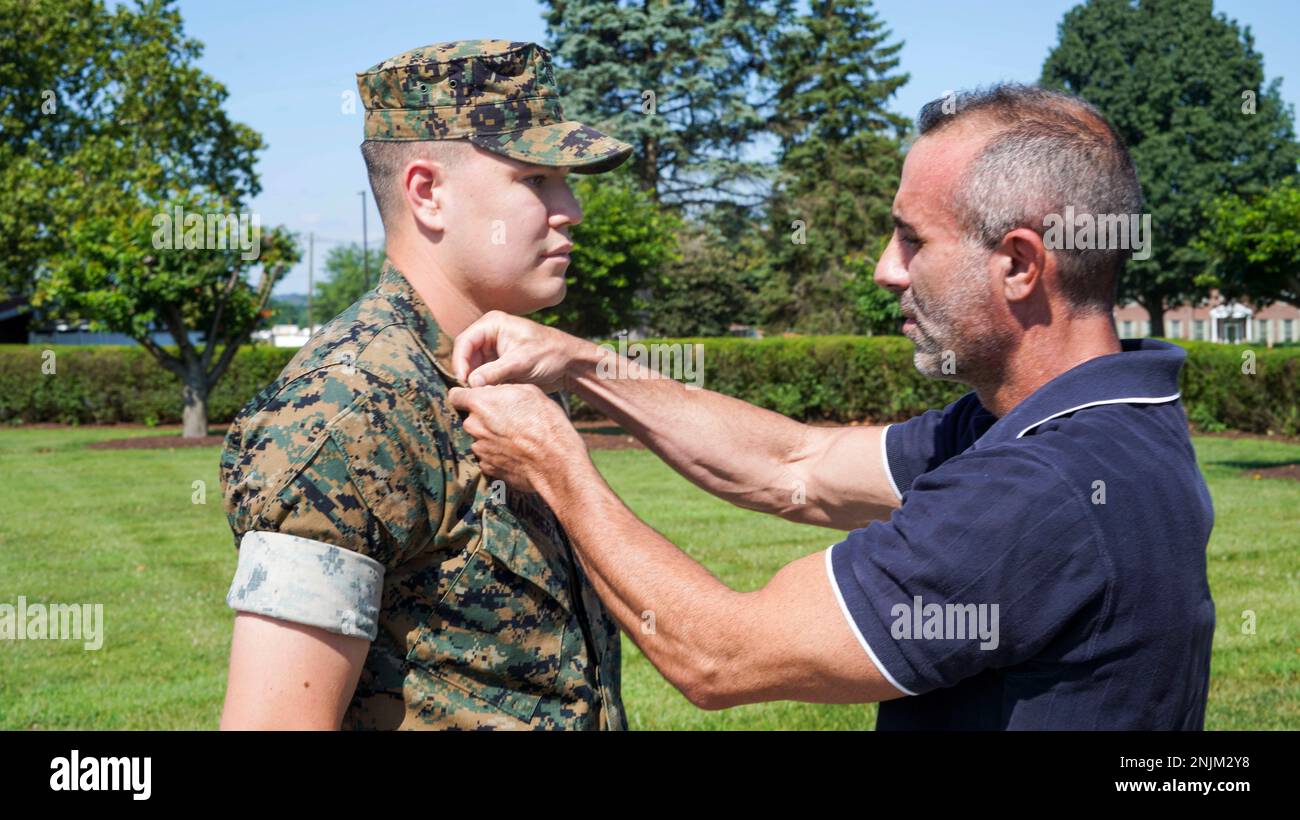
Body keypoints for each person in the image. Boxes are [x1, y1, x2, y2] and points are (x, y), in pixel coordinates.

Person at [448, 84, 1216, 730]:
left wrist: (555, 465)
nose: (887, 270)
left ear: (1018, 264)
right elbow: (797, 466)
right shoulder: (1080, 418)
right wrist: (585, 364)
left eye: (913, 240)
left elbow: (724, 656)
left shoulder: (1041, 485)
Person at [218, 39, 633, 730]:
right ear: (427, 193)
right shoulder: (346, 411)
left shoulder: (503, 374)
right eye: (535, 180)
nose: (572, 208)